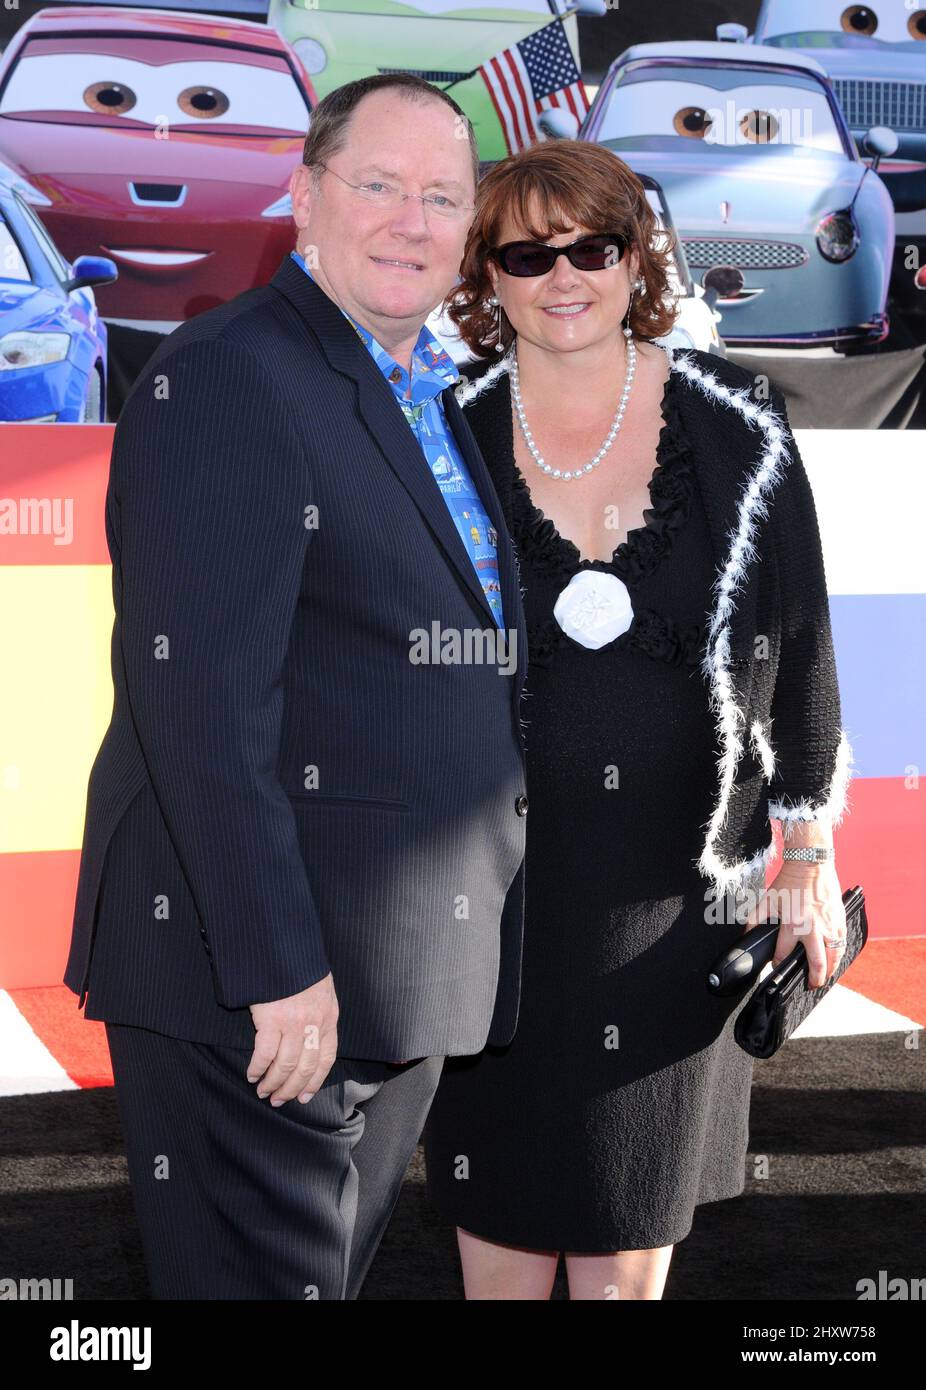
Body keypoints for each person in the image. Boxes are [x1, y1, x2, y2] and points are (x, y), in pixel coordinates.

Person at [63, 74, 529, 1300]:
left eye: (440, 196)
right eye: (376, 184)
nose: (409, 221)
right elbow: (203, 701)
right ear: (303, 196)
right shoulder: (233, 376)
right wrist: (273, 968)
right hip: (269, 984)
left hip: (387, 973)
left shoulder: (430, 386)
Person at [422, 139, 854, 1300]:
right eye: (526, 251)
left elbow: (799, 637)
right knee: (501, 1261)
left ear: (633, 257)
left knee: (622, 1271)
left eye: (592, 246)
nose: (562, 275)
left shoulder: (736, 419)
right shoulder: (437, 429)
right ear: (486, 274)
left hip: (676, 907)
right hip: (493, 913)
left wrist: (806, 851)